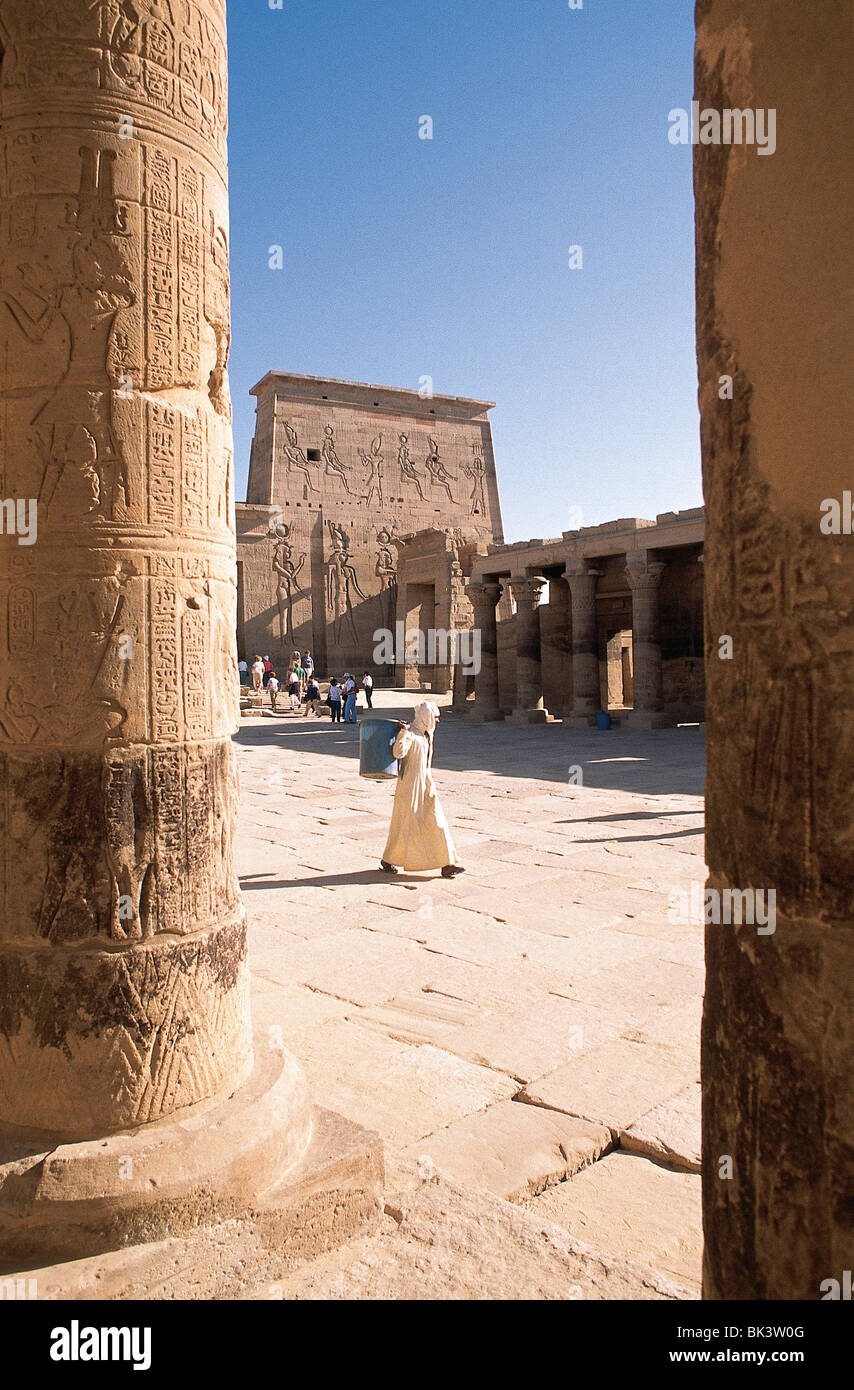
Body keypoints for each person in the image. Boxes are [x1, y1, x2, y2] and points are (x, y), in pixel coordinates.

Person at [380, 702, 464, 879]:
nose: (438, 721)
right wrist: (403, 733)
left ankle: (448, 864)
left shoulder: (426, 735)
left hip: (426, 785)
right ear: (426, 717)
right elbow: (398, 753)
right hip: (409, 787)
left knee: (437, 821)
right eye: (435, 717)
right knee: (403, 824)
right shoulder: (411, 734)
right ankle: (389, 859)